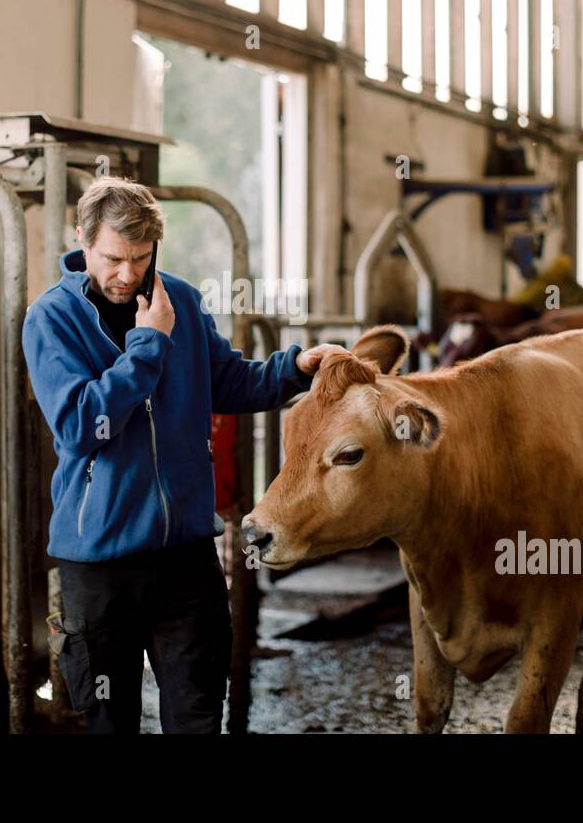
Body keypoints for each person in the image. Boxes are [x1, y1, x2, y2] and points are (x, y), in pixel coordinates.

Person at [21, 177, 342, 733]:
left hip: (186, 557)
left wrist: (294, 369)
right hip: (100, 564)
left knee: (197, 720)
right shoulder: (51, 319)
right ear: (82, 240)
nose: (127, 274)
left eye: (141, 258)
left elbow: (231, 382)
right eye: (113, 258)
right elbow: (80, 424)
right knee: (108, 723)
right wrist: (149, 345)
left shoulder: (183, 303)